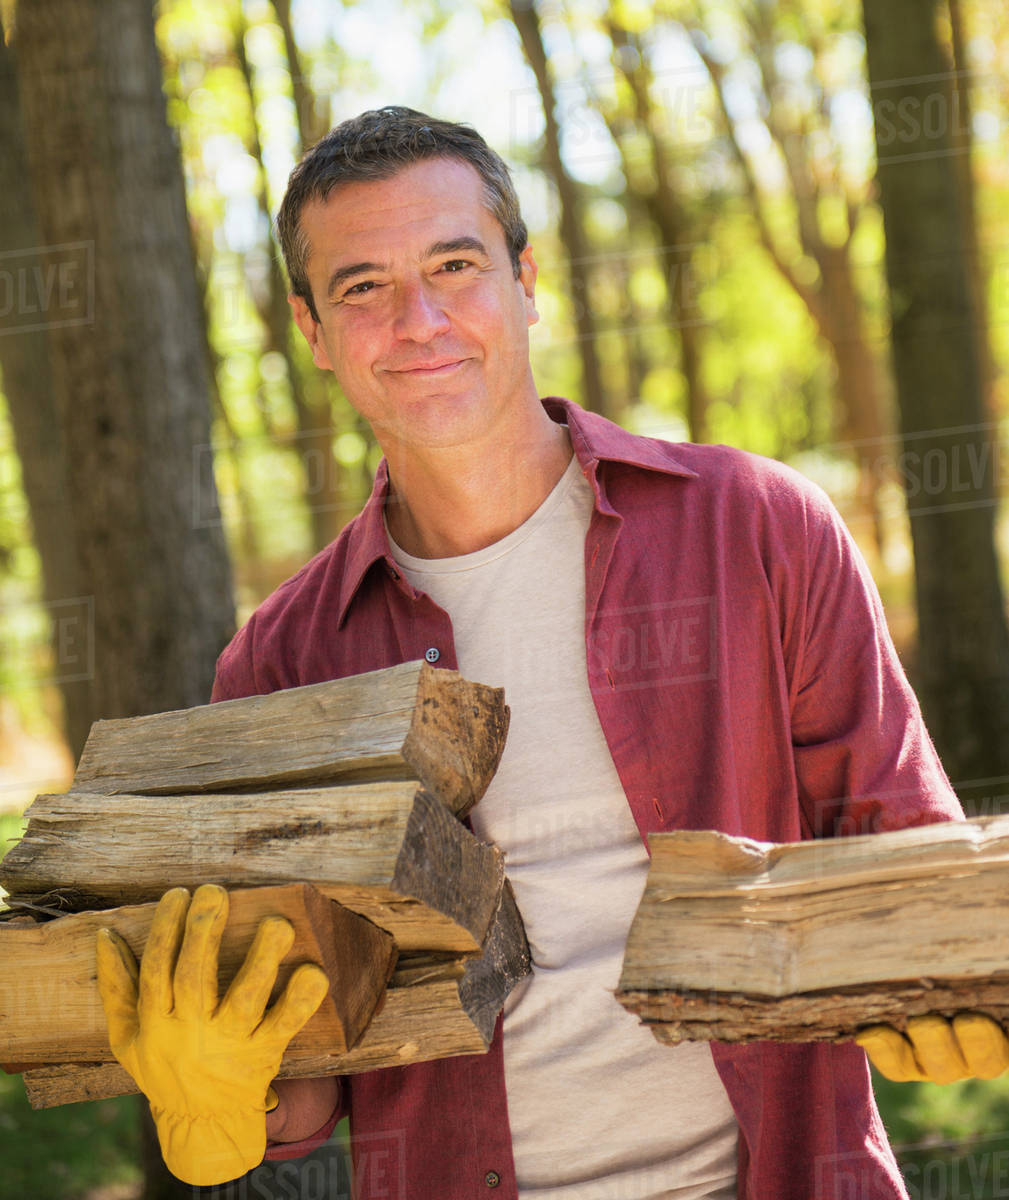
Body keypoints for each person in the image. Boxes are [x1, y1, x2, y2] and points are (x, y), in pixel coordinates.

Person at [99, 106, 1008, 1198]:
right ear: (311, 329)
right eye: (361, 287)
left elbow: (903, 851)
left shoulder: (756, 527)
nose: (420, 318)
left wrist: (966, 992)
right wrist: (212, 1107)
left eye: (454, 263)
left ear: (526, 280)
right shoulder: (283, 661)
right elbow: (303, 1052)